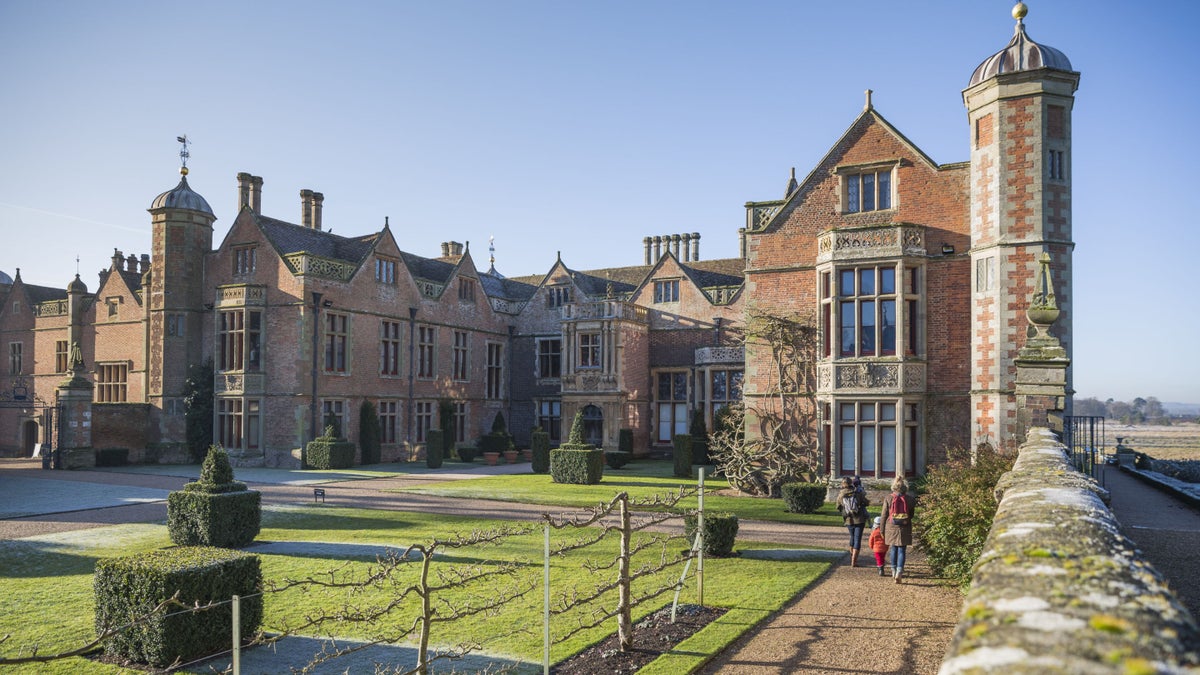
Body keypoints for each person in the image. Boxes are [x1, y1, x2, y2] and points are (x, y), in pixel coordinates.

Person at [880, 476, 914, 583]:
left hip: (891, 526)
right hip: (904, 526)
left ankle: (893, 570)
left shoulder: (888, 498)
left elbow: (884, 515)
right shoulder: (909, 499)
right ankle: (900, 570)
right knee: (902, 550)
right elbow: (911, 514)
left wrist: (882, 529)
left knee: (893, 548)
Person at [836, 476, 869, 566]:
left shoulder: (841, 494)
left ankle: (851, 556)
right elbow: (866, 502)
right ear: (851, 483)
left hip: (848, 519)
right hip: (859, 519)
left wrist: (845, 509)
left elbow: (838, 506)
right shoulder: (857, 492)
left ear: (842, 484)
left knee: (852, 537)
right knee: (857, 539)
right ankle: (854, 561)